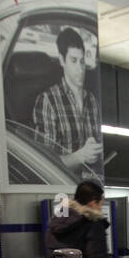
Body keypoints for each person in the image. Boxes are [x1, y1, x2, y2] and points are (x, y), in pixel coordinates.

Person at [32, 27, 103, 174]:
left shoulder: (92, 101)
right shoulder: (48, 101)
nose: (80, 68)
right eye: (74, 61)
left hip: (90, 184)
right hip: (62, 184)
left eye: (82, 61)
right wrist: (81, 156)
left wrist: (95, 151)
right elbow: (45, 161)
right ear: (62, 60)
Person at [45, 179, 110, 258]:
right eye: (100, 203)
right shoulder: (92, 223)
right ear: (92, 203)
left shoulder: (55, 223)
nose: (100, 207)